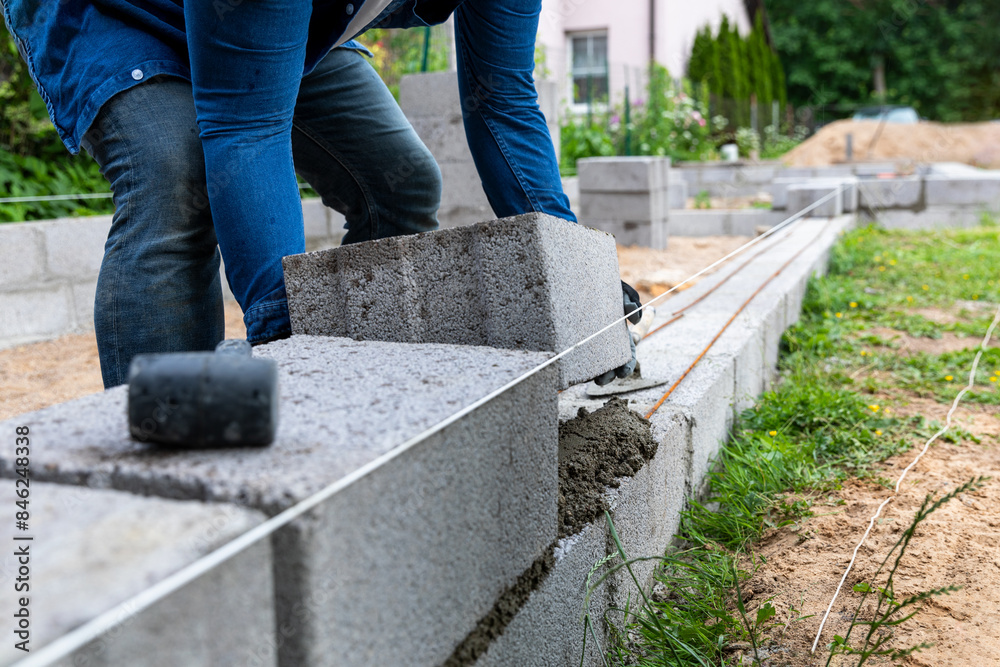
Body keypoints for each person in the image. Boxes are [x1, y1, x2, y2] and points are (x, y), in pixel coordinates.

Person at [3, 0, 637, 387]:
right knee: (177, 177)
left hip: (277, 20)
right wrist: (286, 338)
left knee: (400, 180)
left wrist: (576, 280)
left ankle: (363, 368)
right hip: (119, 13)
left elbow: (502, 100)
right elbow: (245, 126)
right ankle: (168, 440)